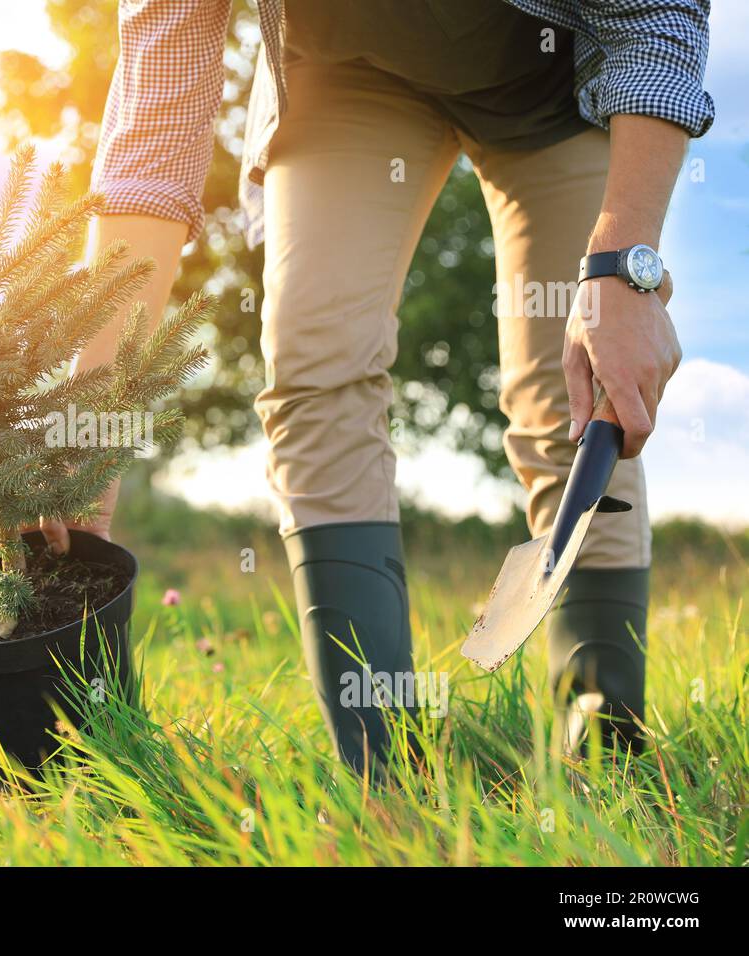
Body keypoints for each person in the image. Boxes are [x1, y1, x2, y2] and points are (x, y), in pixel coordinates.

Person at [42, 0, 713, 772]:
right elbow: (153, 138)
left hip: (557, 77)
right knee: (316, 362)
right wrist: (88, 419)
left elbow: (658, 14)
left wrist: (624, 267)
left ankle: (608, 756)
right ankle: (383, 774)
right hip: (346, 71)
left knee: (575, 398)